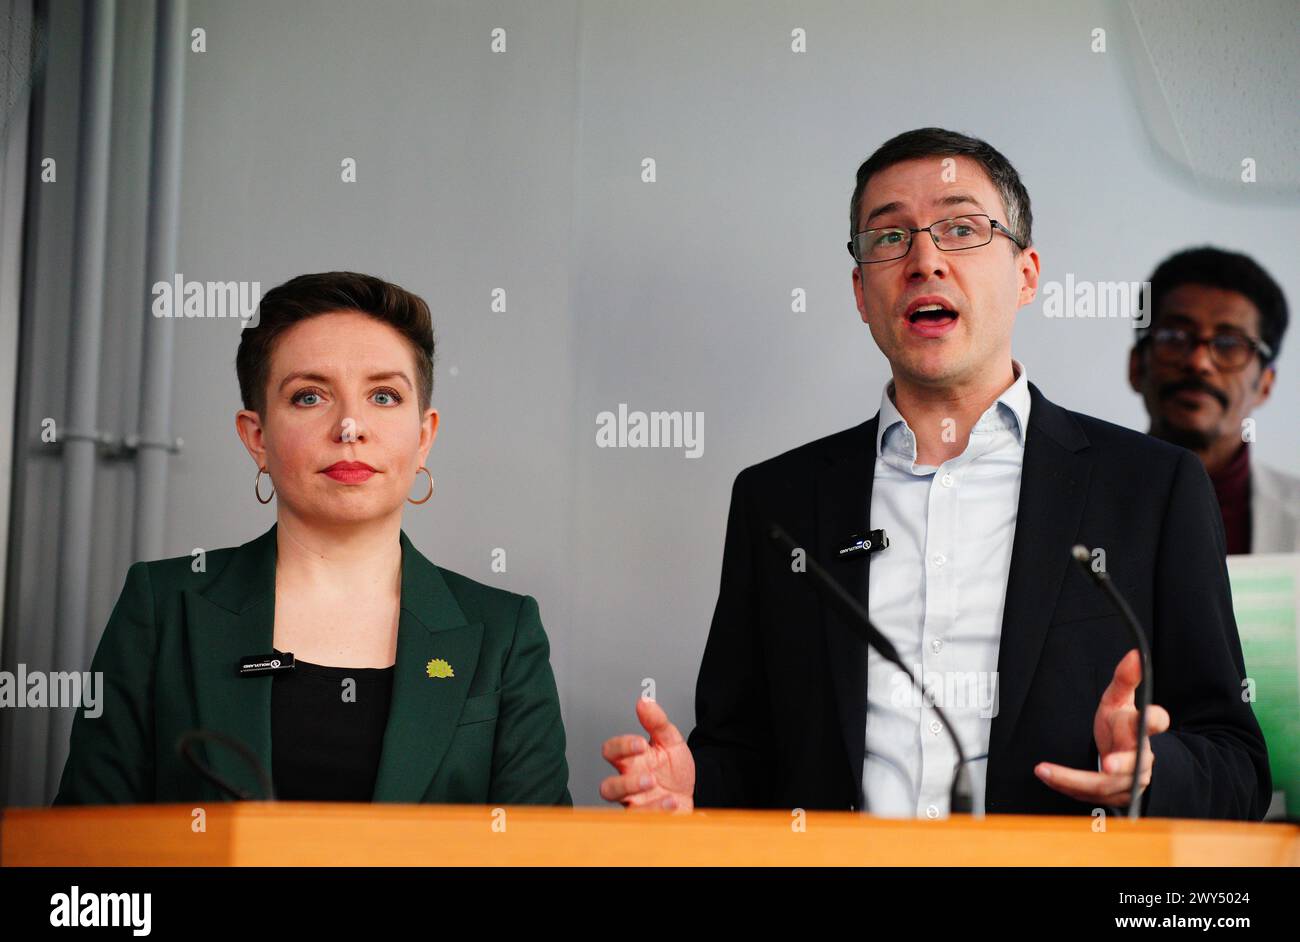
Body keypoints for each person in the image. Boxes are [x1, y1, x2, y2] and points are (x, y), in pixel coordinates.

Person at [600, 128, 1270, 820]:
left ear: (1027, 275)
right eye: (889, 238)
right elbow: (746, 755)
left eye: (961, 228)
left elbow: (1237, 763)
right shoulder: (778, 502)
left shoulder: (1152, 490)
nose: (924, 259)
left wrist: (1150, 772)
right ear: (862, 293)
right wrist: (690, 790)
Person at [55, 272, 570, 805]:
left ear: (424, 437)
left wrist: (654, 835)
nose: (350, 426)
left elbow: (544, 860)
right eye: (308, 397)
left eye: (384, 395)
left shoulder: (504, 633)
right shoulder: (162, 607)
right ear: (257, 437)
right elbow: (84, 853)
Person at [1128, 246, 1299, 554]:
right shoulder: (1076, 500)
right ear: (1137, 366)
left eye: (1229, 344)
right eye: (1175, 337)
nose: (1199, 362)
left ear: (1265, 384)